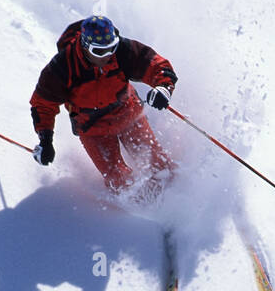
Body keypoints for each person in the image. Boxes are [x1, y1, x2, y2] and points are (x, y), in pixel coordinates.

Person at [30, 15, 177, 195]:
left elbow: (155, 65)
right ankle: (141, 215)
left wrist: (163, 88)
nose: (107, 56)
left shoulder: (122, 51)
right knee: (119, 180)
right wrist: (45, 141)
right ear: (85, 46)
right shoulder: (62, 67)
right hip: (93, 129)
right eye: (100, 51)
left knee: (159, 165)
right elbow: (42, 104)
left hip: (128, 114)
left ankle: (175, 199)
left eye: (111, 48)